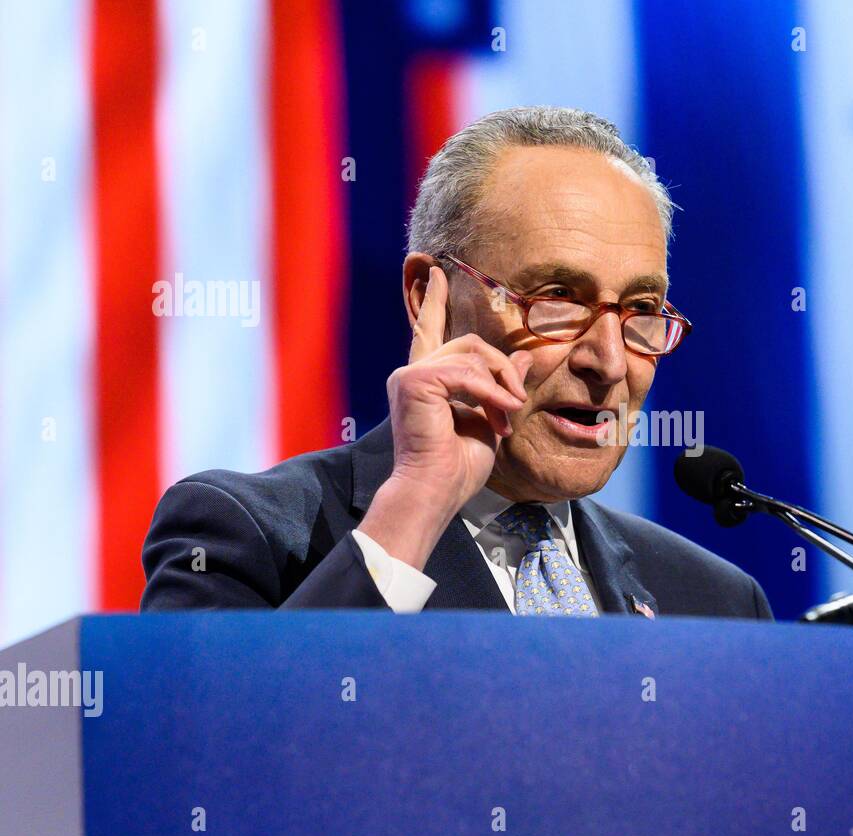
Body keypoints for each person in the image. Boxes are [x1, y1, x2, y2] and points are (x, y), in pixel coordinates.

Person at [141, 106, 771, 620]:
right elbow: (213, 757)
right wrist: (416, 502)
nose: (609, 362)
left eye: (641, 307)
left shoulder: (715, 603)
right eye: (556, 299)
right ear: (427, 298)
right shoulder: (243, 537)